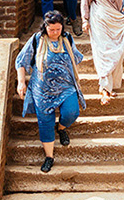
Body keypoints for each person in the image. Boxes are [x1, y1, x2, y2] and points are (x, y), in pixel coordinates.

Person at [15, 11, 85, 171]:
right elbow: (21, 60)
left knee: (71, 112)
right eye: (51, 29)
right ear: (45, 27)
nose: (55, 33)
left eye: (58, 29)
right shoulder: (37, 40)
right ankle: (49, 157)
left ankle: (61, 128)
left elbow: (76, 57)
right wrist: (21, 82)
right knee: (45, 123)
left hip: (66, 87)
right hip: (42, 91)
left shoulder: (67, 39)